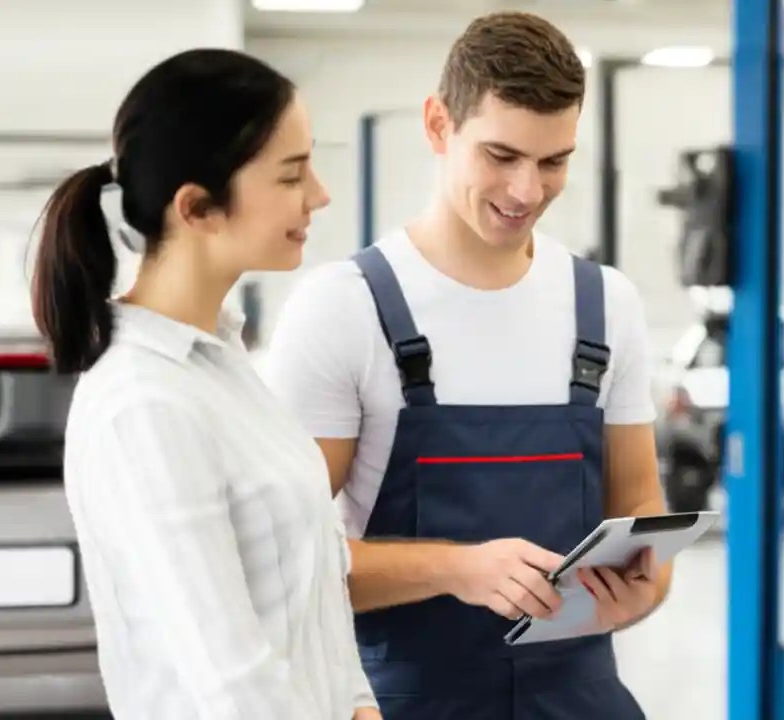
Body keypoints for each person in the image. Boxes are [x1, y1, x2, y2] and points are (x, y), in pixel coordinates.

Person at [262, 11, 671, 719]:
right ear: (437, 125)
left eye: (553, 162)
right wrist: (459, 568)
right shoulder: (344, 310)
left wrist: (645, 588)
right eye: (501, 156)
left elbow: (639, 505)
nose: (526, 192)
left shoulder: (606, 307)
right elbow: (286, 564)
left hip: (581, 701)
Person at [31, 48, 380, 720]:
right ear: (197, 208)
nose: (320, 194)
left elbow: (314, 598)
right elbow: (229, 682)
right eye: (292, 173)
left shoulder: (223, 364)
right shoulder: (144, 403)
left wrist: (361, 706)